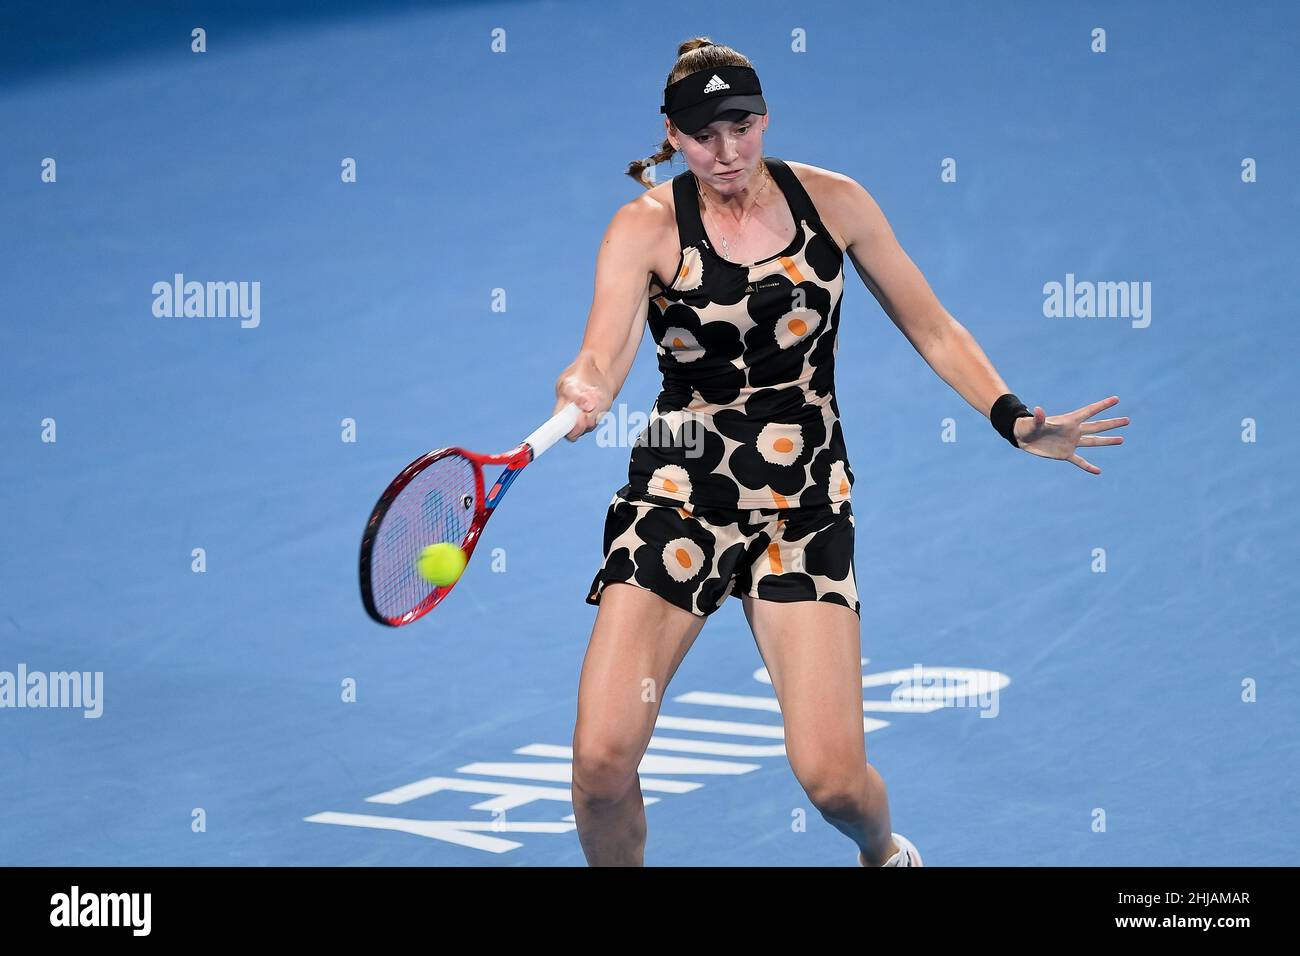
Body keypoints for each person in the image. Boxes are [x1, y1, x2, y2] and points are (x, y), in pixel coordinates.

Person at [551, 37, 1128, 867]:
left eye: (741, 125)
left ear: (765, 118)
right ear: (672, 136)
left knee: (834, 783)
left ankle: (885, 854)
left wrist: (1011, 416)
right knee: (600, 765)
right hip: (680, 496)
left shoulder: (835, 201)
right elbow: (602, 355)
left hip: (805, 505)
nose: (726, 151)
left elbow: (932, 325)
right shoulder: (643, 228)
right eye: (703, 133)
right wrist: (586, 384)